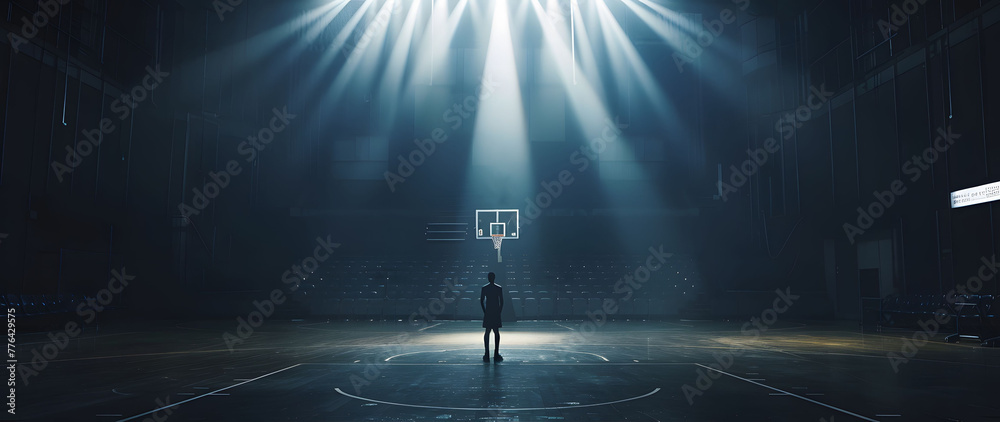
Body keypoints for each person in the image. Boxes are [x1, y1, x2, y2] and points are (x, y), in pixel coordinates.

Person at [481, 272, 504, 362]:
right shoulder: (498, 288)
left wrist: (485, 311)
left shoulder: (485, 288)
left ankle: (487, 353)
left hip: (489, 311)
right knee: (496, 332)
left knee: (487, 332)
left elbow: (482, 301)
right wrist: (499, 311)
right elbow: (502, 301)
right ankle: (496, 353)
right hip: (495, 312)